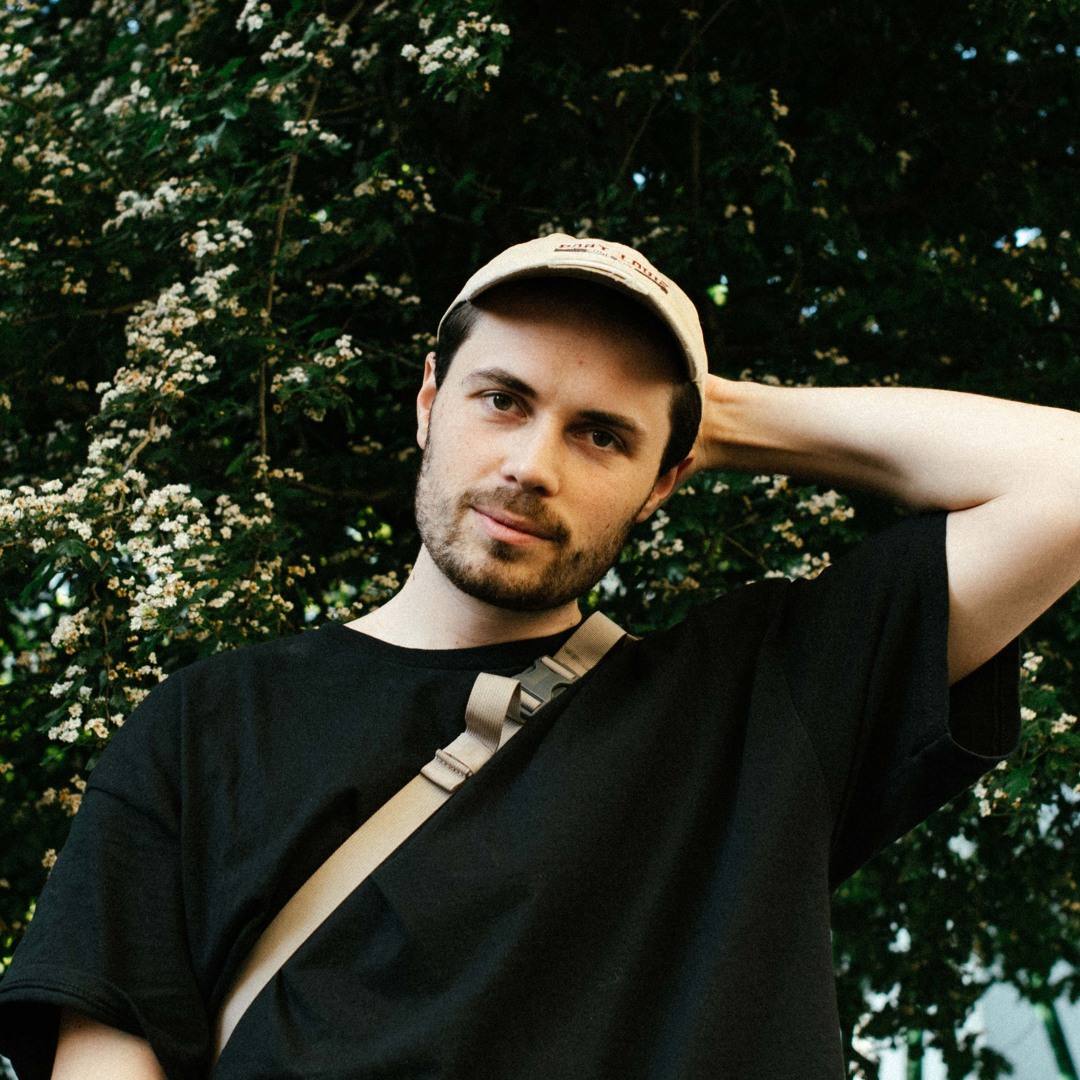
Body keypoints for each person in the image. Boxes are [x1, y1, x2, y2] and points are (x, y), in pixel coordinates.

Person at [1, 235, 1078, 1080]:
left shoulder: (759, 702)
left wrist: (723, 412)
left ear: (667, 481)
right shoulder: (209, 723)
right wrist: (639, 415)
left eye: (602, 434)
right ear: (430, 402)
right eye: (503, 399)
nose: (531, 465)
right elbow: (104, 1053)